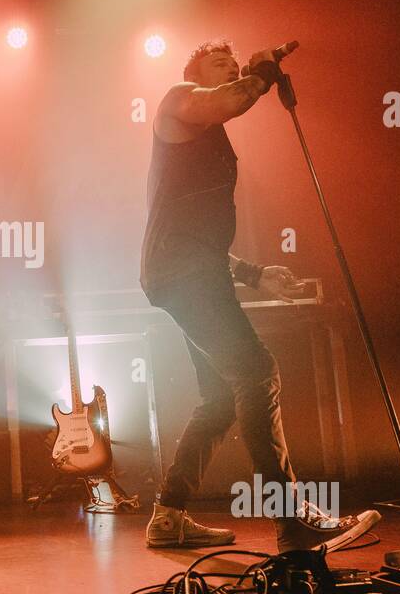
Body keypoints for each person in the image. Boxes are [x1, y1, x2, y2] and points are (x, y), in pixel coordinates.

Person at [139, 38, 380, 551]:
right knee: (257, 371)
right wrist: (261, 73)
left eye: (232, 61)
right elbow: (231, 98)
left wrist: (252, 273)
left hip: (188, 270)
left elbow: (191, 234)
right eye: (218, 62)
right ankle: (292, 518)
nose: (229, 68)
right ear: (195, 71)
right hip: (185, 275)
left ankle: (169, 515)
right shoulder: (181, 97)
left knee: (223, 395)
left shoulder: (205, 138)